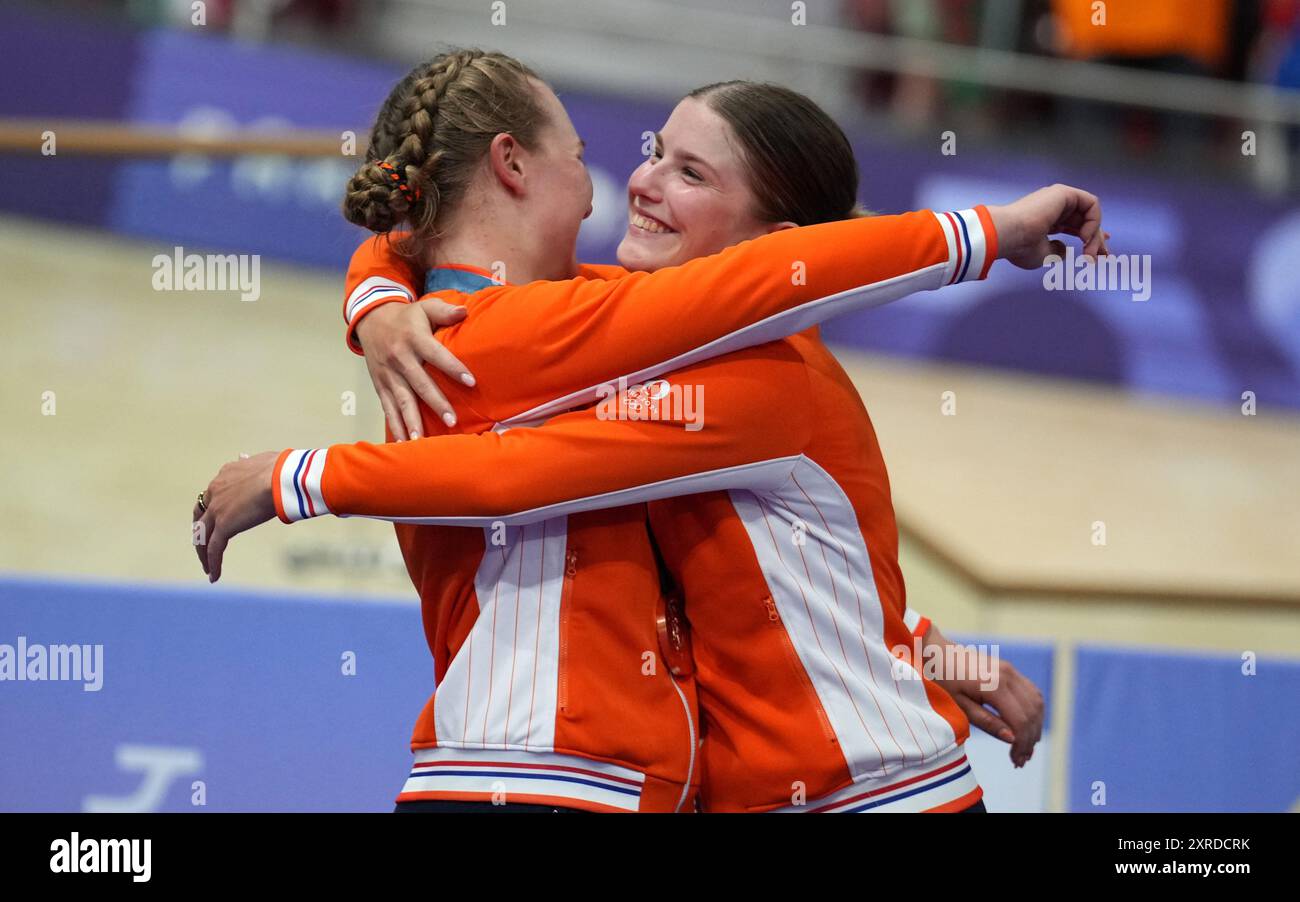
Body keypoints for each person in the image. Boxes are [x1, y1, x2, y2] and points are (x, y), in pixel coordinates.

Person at [196, 51, 1100, 812]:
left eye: (689, 173)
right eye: (649, 154)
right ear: (508, 164)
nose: (632, 184)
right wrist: (376, 299)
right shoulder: (569, 329)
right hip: (613, 781)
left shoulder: (744, 375)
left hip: (856, 792)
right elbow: (526, 459)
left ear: (773, 241)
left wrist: (316, 434)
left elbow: (540, 477)